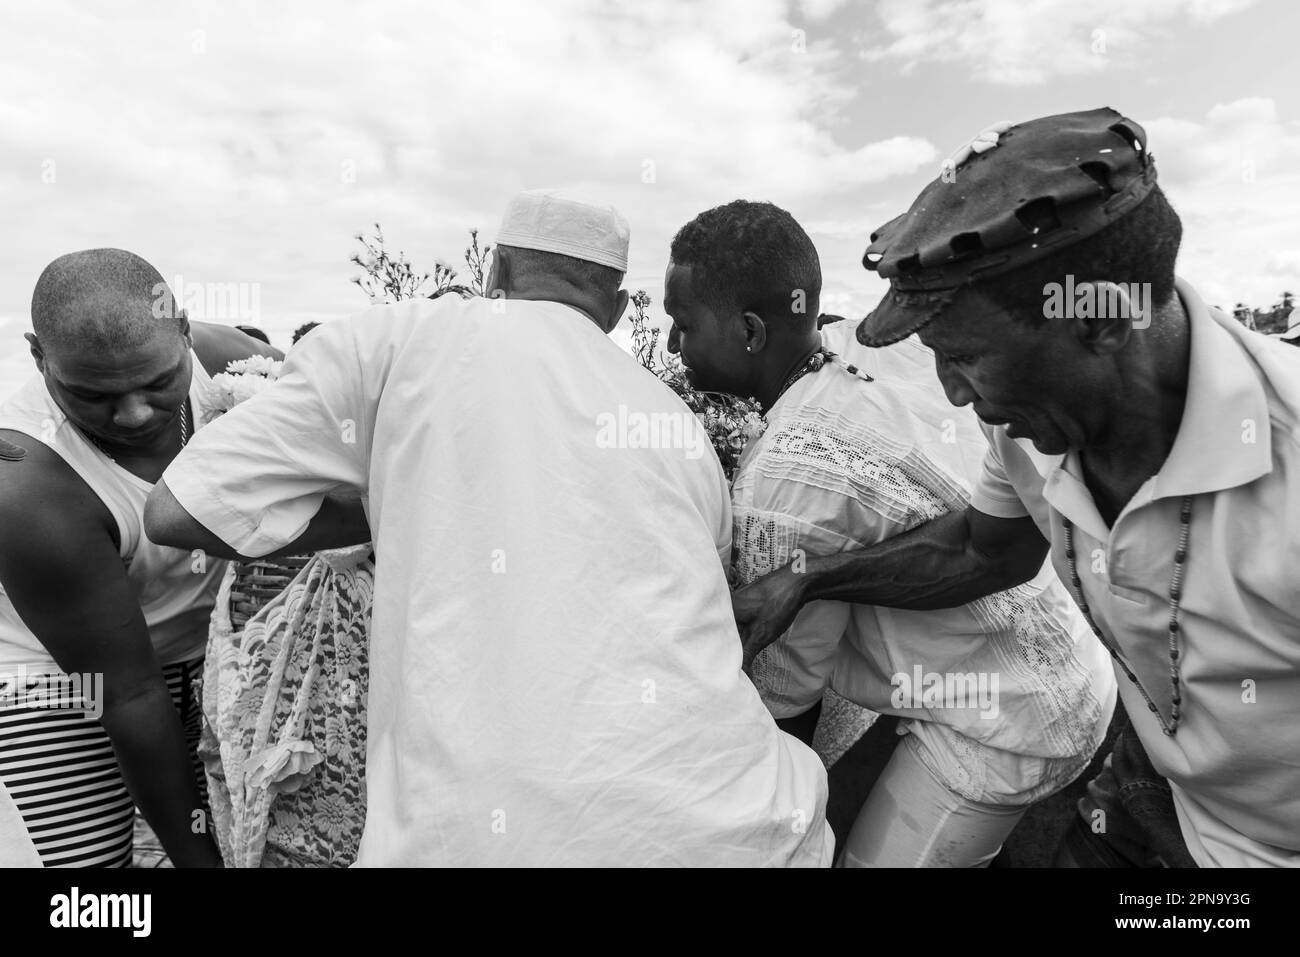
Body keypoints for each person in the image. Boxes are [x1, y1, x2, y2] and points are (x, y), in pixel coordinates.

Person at [144, 189, 833, 867]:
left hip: (479, 835)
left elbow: (178, 510)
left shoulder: (396, 339)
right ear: (619, 310)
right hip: (734, 822)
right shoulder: (671, 422)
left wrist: (388, 498)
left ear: (494, 274)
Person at [733, 108, 1300, 868]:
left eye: (965, 357)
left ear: (1100, 319)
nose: (955, 395)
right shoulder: (1030, 422)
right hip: (1151, 780)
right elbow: (985, 549)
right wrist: (806, 579)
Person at [665, 200, 1114, 866]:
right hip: (1065, 667)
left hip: (1007, 730)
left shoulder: (781, 485)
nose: (674, 345)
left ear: (752, 332)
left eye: (682, 324)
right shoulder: (873, 347)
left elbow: (787, 703)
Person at [0, 248, 280, 867]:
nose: (134, 414)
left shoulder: (237, 363)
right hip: (66, 681)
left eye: (158, 383)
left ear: (182, 331)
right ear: (37, 354)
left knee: (264, 830)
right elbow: (127, 695)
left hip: (205, 654)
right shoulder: (23, 482)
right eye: (92, 395)